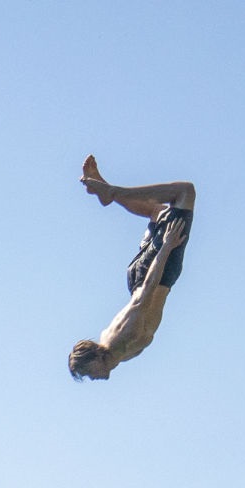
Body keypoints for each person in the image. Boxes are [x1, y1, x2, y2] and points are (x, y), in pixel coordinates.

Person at [68, 156, 194, 380]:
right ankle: (106, 189)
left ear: (96, 358)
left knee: (185, 192)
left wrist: (166, 248)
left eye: (89, 372)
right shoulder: (116, 353)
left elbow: (145, 292)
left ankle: (112, 191)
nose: (93, 377)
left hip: (157, 273)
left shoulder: (120, 338)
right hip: (144, 274)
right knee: (158, 212)